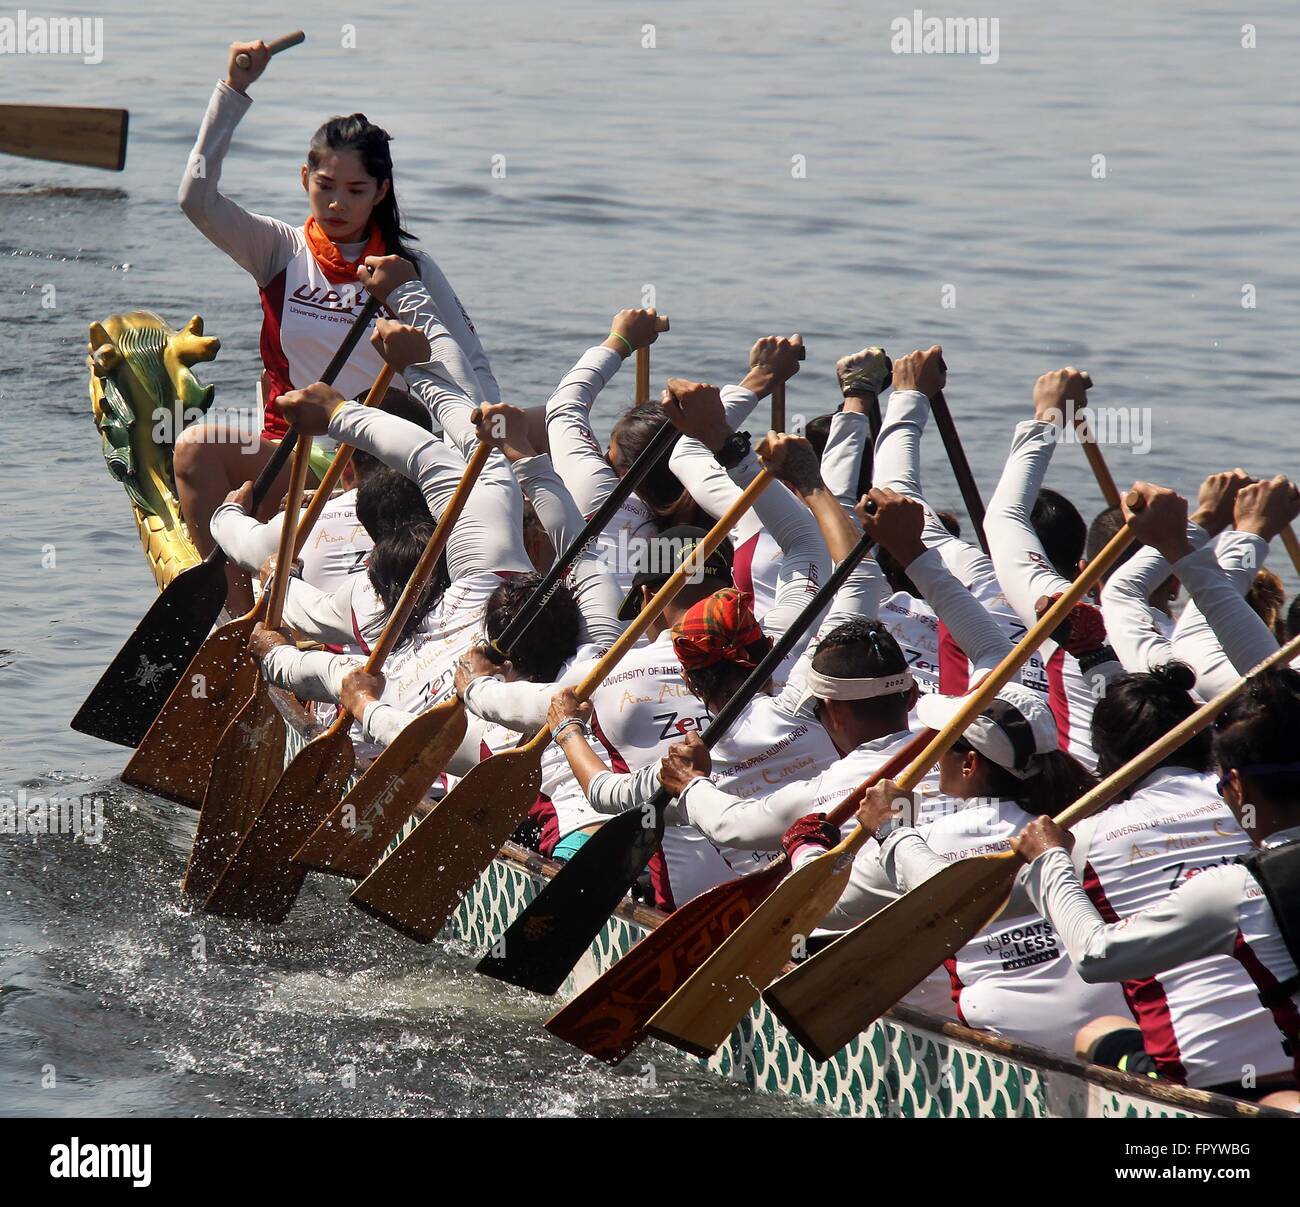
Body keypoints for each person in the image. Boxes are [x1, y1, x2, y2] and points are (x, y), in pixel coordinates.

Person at [175, 36, 497, 610]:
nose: (337, 204)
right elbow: (196, 199)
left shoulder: (411, 270)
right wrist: (234, 90)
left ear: (381, 192)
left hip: (384, 458)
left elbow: (470, 366)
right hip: (295, 449)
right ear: (305, 181)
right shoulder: (278, 249)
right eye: (325, 187)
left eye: (355, 191)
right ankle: (234, 618)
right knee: (196, 448)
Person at [1013, 667, 1300, 1106]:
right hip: (1278, 1069)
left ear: (1238, 784)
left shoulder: (1236, 889)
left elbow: (1095, 955)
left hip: (1215, 1084)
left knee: (1099, 1035)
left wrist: (1049, 860)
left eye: (1225, 786)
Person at [846, 686, 1126, 1055]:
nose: (934, 756)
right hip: (1109, 1023)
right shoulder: (1082, 827)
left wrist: (810, 848)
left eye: (943, 743)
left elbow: (832, 911)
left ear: (970, 763)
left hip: (1001, 1035)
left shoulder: (927, 839)